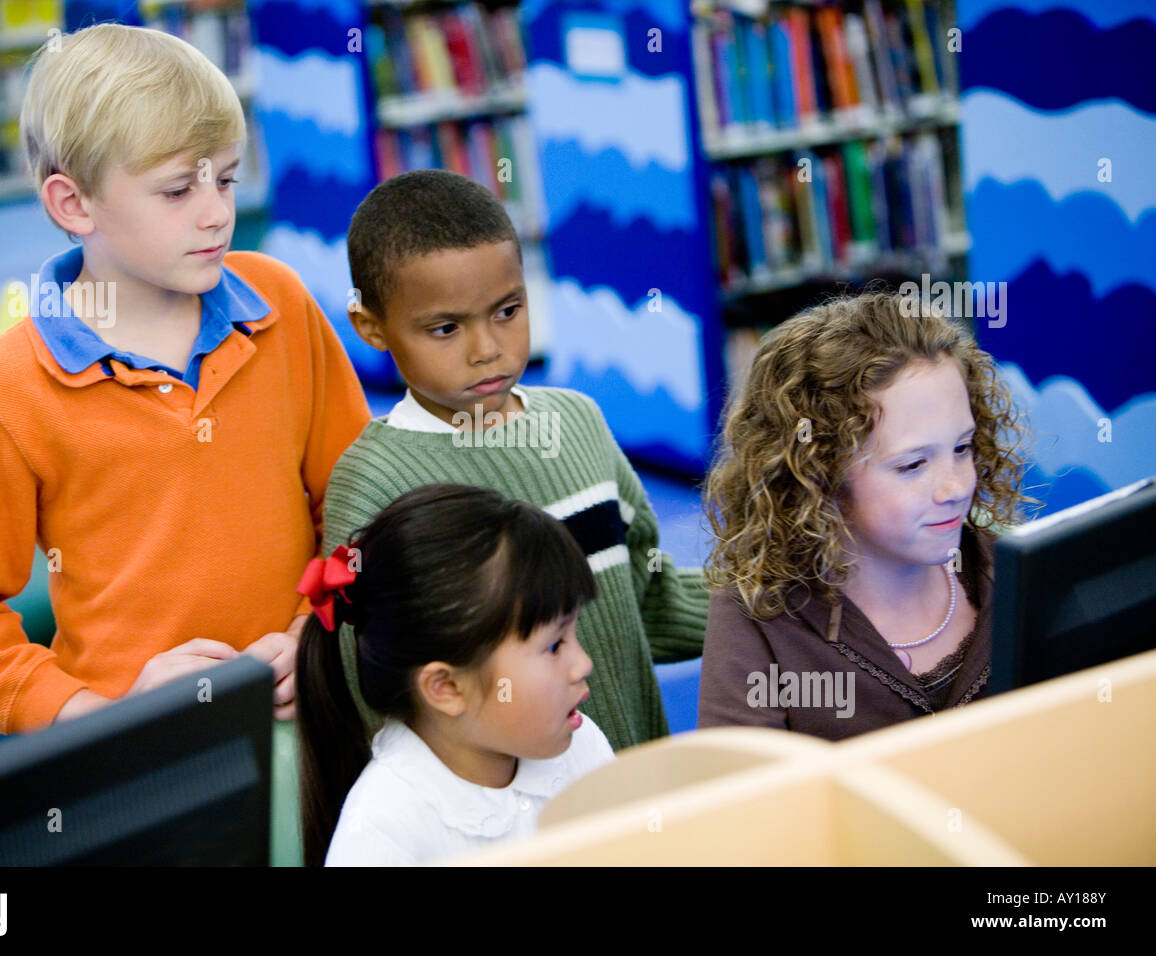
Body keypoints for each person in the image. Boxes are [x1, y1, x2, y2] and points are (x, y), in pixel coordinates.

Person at [0, 23, 370, 733]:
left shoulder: (282, 305)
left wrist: (319, 628)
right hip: (154, 767)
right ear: (73, 205)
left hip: (321, 718)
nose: (218, 212)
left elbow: (357, 512)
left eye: (227, 178)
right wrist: (103, 718)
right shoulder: (1, 393)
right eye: (179, 189)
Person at [323, 169, 709, 753]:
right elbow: (370, 688)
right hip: (500, 826)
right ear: (370, 327)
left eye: (507, 310)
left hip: (631, 786)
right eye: (446, 327)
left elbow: (647, 598)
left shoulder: (578, 422)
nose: (487, 350)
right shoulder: (374, 482)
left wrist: (795, 592)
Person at [698, 291, 1036, 740]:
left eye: (962, 448)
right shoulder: (759, 618)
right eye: (912, 465)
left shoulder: (1019, 576)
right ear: (818, 473)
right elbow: (746, 801)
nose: (956, 488)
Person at [296, 483, 615, 866]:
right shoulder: (385, 828)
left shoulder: (581, 748)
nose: (583, 664)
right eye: (553, 646)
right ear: (446, 687)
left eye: (573, 632)